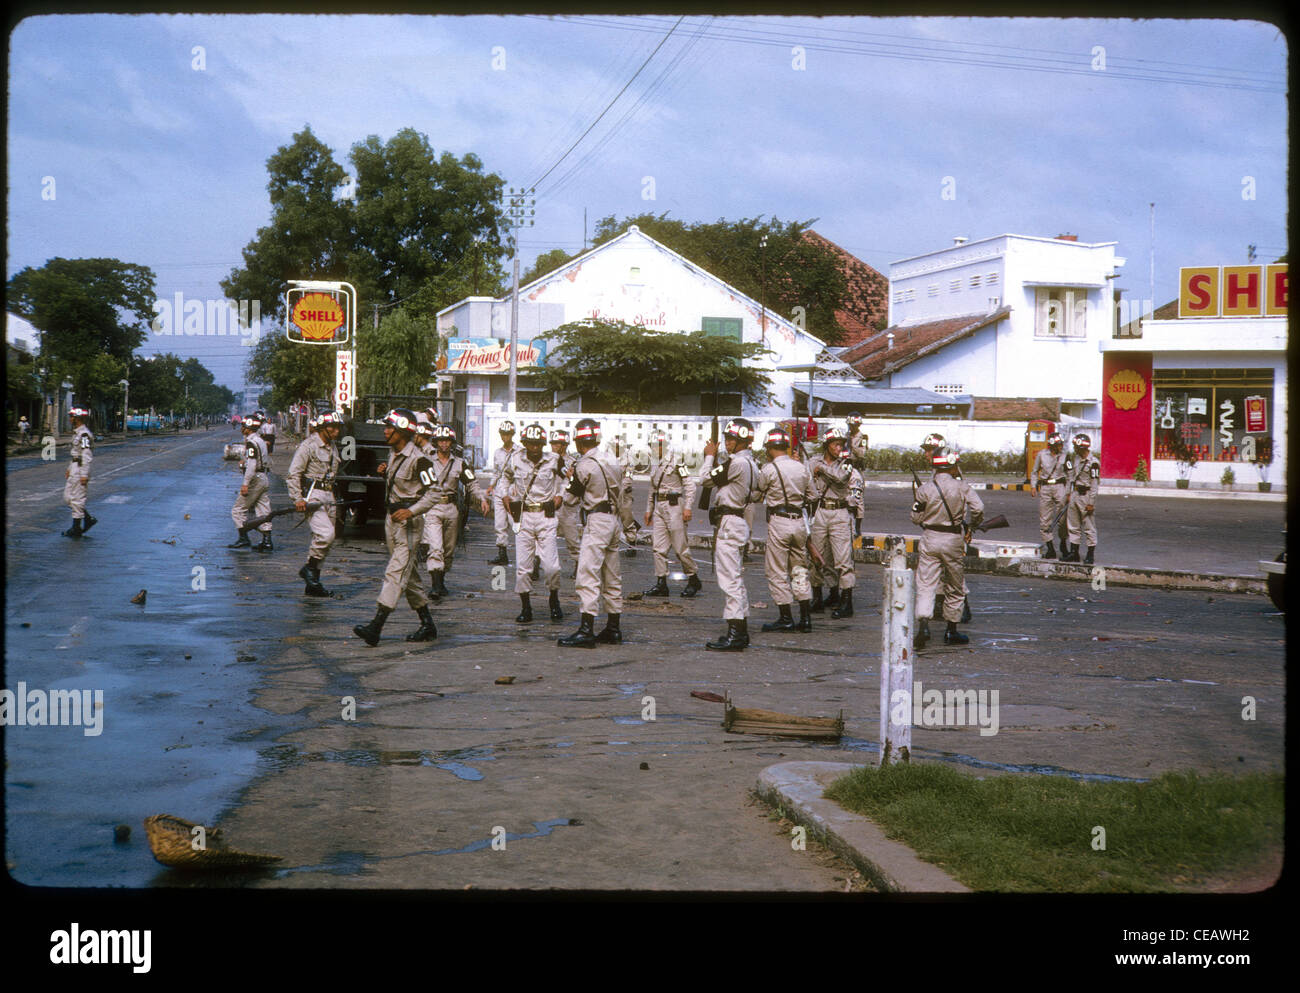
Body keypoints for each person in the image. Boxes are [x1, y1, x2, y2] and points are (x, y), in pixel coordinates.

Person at [353, 409, 441, 645]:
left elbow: (435, 493)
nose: (385, 431)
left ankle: (376, 625)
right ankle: (427, 624)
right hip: (392, 521)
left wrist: (412, 511)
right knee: (407, 574)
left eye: (390, 427)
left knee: (395, 572)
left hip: (409, 523)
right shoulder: (394, 453)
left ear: (403, 431)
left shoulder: (420, 459)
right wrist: (385, 475)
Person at [558, 418, 626, 648]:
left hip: (596, 520)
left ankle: (586, 629)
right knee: (612, 576)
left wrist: (570, 479)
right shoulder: (611, 458)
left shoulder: (583, 465)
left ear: (579, 442)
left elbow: (569, 499)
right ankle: (613, 628)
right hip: (614, 519)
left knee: (587, 575)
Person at [912, 446, 983, 649]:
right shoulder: (962, 487)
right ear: (952, 466)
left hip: (930, 537)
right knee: (955, 585)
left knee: (926, 583)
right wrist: (972, 524)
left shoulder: (925, 488)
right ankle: (951, 630)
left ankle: (923, 626)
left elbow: (915, 517)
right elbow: (978, 508)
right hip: (953, 539)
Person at [700, 418, 760, 651]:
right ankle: (741, 629)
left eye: (730, 439)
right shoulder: (753, 465)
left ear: (741, 441)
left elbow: (705, 479)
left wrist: (708, 456)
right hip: (739, 519)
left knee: (729, 578)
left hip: (729, 521)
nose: (726, 443)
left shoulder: (735, 463)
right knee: (736, 576)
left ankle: (735, 632)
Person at [504, 423, 565, 623]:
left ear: (543, 444)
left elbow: (569, 479)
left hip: (546, 515)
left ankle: (554, 600)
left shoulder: (554, 460)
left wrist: (560, 495)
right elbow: (504, 479)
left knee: (551, 566)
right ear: (524, 444)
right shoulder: (514, 460)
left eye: (538, 444)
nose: (535, 448)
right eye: (530, 444)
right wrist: (505, 496)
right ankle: (526, 607)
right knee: (523, 566)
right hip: (523, 516)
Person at [755, 427, 813, 633]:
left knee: (776, 570)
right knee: (799, 569)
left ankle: (786, 617)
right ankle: (806, 617)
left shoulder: (768, 469)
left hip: (779, 521)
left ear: (770, 447)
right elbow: (812, 495)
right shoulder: (801, 468)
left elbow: (757, 492)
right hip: (799, 521)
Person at [421, 424, 487, 601]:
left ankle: (441, 581)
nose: (444, 444)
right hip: (433, 507)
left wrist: (481, 498)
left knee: (449, 550)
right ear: (435, 442)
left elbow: (471, 484)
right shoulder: (426, 461)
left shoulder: (459, 463)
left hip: (451, 508)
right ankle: (435, 585)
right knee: (436, 548)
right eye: (441, 440)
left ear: (452, 443)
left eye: (447, 440)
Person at [287, 411, 343, 596]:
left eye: (337, 427)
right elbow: (294, 473)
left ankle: (313, 584)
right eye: (332, 427)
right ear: (322, 428)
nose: (336, 430)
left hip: (329, 494)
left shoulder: (332, 446)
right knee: (326, 535)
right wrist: (298, 498)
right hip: (314, 494)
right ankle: (308, 569)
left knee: (324, 542)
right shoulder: (308, 445)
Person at [642, 430, 702, 598]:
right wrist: (649, 509)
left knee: (680, 548)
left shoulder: (677, 461)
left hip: (674, 506)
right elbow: (652, 489)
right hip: (659, 508)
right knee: (658, 547)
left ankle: (693, 578)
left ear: (665, 446)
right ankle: (661, 583)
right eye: (652, 446)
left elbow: (690, 486)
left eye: (658, 446)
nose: (655, 449)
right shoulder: (654, 465)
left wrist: (688, 507)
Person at [921, 432, 972, 622]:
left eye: (929, 450)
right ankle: (942, 605)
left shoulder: (953, 474)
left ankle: (963, 607)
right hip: (939, 526)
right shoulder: (935, 472)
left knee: (954, 573)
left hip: (953, 528)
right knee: (942, 570)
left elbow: (961, 503)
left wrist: (966, 527)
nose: (926, 454)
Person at [805, 428, 856, 618]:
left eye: (841, 444)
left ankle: (846, 600)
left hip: (839, 512)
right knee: (818, 556)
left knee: (843, 559)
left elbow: (842, 477)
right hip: (820, 511)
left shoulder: (846, 462)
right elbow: (806, 479)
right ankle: (819, 595)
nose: (839, 448)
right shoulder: (813, 461)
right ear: (827, 445)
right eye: (835, 444)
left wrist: (823, 470)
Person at [228, 414, 273, 552]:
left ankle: (243, 538)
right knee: (263, 510)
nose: (242, 428)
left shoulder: (252, 442)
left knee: (237, 510)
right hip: (264, 476)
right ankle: (267, 541)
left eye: (243, 426)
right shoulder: (260, 440)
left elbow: (252, 465)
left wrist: (245, 484)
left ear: (249, 427)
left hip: (256, 478)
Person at [1062, 433, 1100, 564]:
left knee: (1089, 526)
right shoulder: (1076, 459)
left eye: (1076, 447)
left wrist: (1091, 503)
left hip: (1086, 495)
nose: (1074, 449)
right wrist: (1068, 494)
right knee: (1073, 525)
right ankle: (1074, 553)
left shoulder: (1093, 463)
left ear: (1083, 447)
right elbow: (1071, 477)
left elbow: (1094, 484)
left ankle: (1090, 554)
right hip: (1076, 494)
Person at [485, 421, 519, 566]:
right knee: (499, 523)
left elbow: (522, 472)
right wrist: (491, 486)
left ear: (512, 435)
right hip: (500, 490)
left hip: (513, 490)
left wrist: (518, 486)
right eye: (503, 434)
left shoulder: (519, 451)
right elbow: (497, 472)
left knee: (516, 522)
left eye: (508, 434)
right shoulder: (497, 453)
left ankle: (528, 556)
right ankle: (502, 553)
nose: (505, 437)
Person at [550, 429, 583, 576]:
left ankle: (578, 564)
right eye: (553, 443)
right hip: (550, 503)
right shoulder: (548, 460)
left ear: (564, 445)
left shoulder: (573, 463)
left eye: (557, 444)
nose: (554, 446)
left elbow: (573, 483)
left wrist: (562, 496)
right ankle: (537, 564)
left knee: (572, 538)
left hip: (567, 504)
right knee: (543, 535)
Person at [1032, 431, 1069, 559]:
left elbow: (1070, 475)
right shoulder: (1042, 455)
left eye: (1061, 444)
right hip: (1046, 487)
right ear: (1052, 445)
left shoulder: (1065, 456)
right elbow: (1034, 471)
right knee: (1044, 519)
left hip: (1060, 487)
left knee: (1063, 518)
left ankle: (1063, 543)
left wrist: (1068, 491)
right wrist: (1033, 486)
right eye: (1058, 445)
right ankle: (1050, 548)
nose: (1061, 447)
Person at [62, 407, 98, 537]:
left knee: (77, 498)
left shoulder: (84, 435)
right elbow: (76, 454)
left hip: (81, 468)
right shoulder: (77, 433)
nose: (70, 418)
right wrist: (69, 468)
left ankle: (76, 528)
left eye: (72, 416)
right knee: (67, 498)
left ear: (77, 418)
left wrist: (84, 474)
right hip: (75, 466)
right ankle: (88, 519)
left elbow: (86, 454)